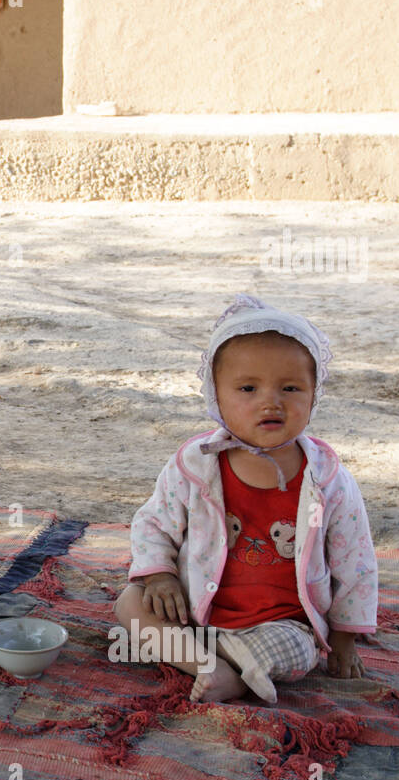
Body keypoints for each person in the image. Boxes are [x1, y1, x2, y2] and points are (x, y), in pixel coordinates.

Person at [114, 295, 378, 703]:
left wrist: (344, 637)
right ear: (216, 396)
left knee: (301, 652)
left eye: (290, 388)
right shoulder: (194, 465)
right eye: (248, 388)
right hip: (195, 613)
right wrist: (159, 576)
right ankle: (213, 665)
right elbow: (153, 524)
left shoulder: (327, 479)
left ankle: (226, 671)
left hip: (282, 625)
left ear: (314, 394)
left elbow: (355, 558)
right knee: (130, 604)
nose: (270, 401)